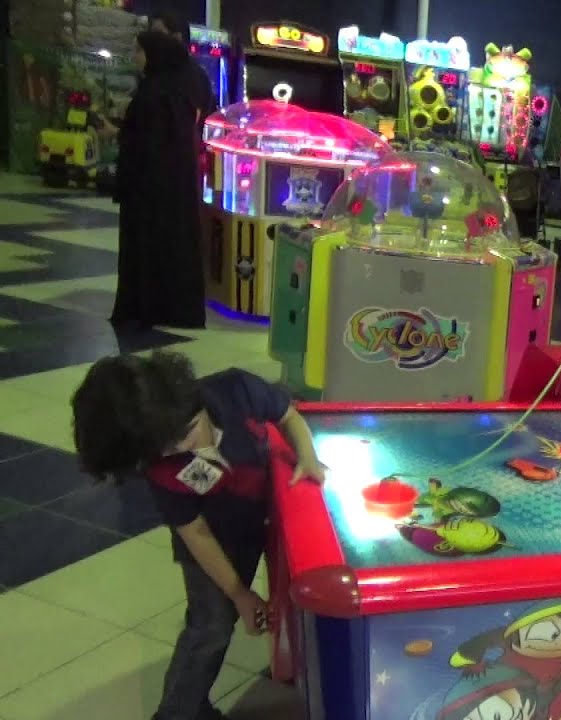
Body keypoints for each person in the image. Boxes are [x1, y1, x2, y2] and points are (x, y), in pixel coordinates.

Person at [71, 351, 326, 720]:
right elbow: (195, 532)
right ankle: (177, 712)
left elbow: (287, 415)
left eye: (188, 432)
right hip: (209, 546)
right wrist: (238, 593)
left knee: (221, 623)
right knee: (211, 626)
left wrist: (307, 456)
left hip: (253, 524)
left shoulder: (237, 389)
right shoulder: (162, 467)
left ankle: (193, 705)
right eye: (166, 448)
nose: (183, 449)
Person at [111, 30, 207, 331]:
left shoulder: (153, 94)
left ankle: (144, 307)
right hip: (171, 191)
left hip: (147, 192)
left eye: (139, 51)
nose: (135, 57)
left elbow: (145, 144)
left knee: (145, 251)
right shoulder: (174, 93)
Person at [148, 9, 218, 123]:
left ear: (176, 37)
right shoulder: (156, 71)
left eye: (158, 34)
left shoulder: (191, 75)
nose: (152, 40)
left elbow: (188, 120)